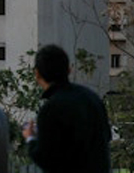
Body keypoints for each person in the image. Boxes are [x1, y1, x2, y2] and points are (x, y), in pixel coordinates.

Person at [23, 44, 111, 173]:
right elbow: (106, 136)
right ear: (69, 70)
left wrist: (30, 138)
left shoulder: (51, 109)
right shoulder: (92, 98)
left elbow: (46, 158)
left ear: (37, 74)